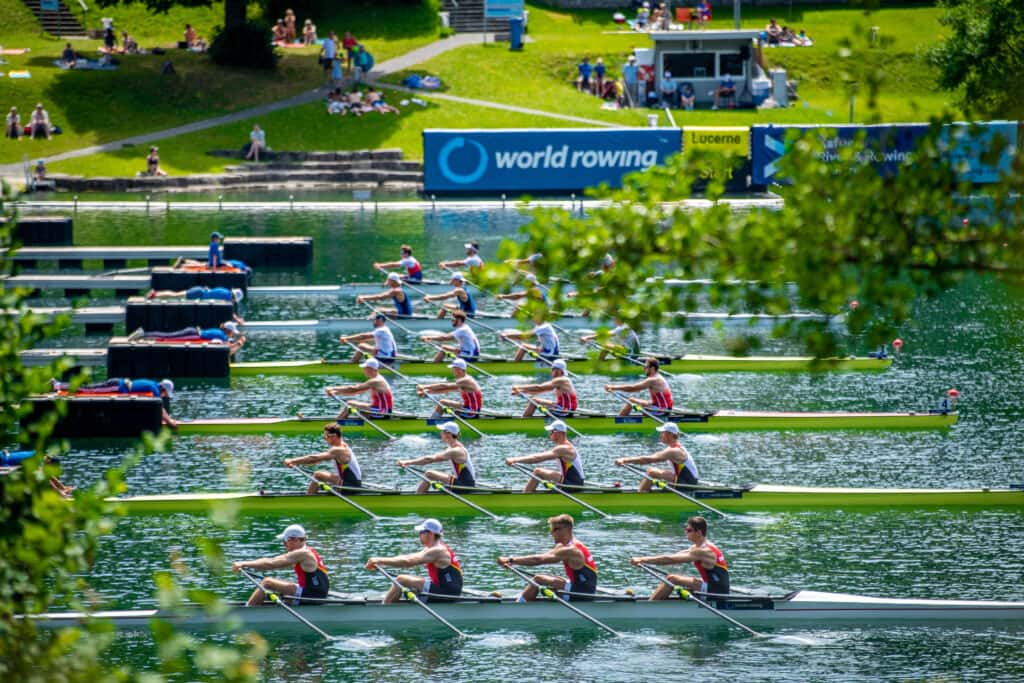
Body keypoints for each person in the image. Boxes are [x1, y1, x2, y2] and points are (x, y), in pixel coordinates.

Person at [497, 513, 597, 601]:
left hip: (582, 594)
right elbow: (544, 556)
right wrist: (511, 562)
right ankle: (522, 599)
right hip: (580, 587)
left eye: (555, 529)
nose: (551, 533)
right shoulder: (564, 546)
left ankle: (519, 605)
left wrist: (510, 560)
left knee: (538, 579)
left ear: (567, 529)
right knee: (549, 580)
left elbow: (538, 560)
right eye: (551, 529)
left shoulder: (571, 550)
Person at [630, 515, 729, 599]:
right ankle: (657, 601)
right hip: (713, 586)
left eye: (689, 530)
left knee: (672, 579)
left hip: (716, 592)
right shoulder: (697, 547)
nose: (686, 532)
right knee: (676, 579)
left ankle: (649, 607)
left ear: (699, 532)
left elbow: (670, 560)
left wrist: (642, 559)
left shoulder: (704, 551)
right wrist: (645, 561)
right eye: (686, 529)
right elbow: (675, 556)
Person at [366, 519, 463, 603]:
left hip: (447, 594)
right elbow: (409, 557)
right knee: (408, 581)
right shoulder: (432, 548)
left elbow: (408, 562)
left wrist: (379, 560)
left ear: (430, 534)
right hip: (443, 589)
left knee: (401, 580)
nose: (419, 535)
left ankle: (384, 609)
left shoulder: (438, 550)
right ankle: (392, 605)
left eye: (421, 532)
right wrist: (381, 562)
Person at [232, 524, 330, 606]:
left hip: (312, 596)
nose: (284, 545)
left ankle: (248, 611)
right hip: (314, 593)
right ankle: (261, 608)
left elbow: (271, 564)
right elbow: (272, 560)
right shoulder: (306, 551)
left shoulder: (303, 553)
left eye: (285, 541)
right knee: (282, 587)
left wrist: (244, 563)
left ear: (294, 540)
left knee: (267, 583)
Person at [50, 377, 177, 427]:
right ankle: (57, 385)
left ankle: (58, 385)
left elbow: (159, 407)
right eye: (165, 393)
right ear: (162, 388)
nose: (165, 396)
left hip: (118, 385)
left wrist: (169, 419)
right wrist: (170, 422)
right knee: (87, 390)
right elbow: (160, 408)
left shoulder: (154, 384)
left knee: (88, 389)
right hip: (116, 386)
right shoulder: (154, 388)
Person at [505, 420, 584, 491]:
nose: (549, 434)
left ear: (559, 433)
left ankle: (525, 497)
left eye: (551, 431)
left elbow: (538, 458)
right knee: (541, 472)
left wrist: (515, 460)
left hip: (574, 485)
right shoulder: (565, 446)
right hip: (572, 481)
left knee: (538, 472)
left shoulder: (564, 448)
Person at [614, 422, 697, 490]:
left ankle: (641, 495)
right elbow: (653, 457)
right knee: (656, 472)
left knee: (651, 472)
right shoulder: (673, 448)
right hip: (686, 481)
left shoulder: (674, 451)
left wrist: (625, 460)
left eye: (663, 433)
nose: (660, 435)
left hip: (687, 484)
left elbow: (648, 460)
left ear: (670, 434)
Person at [398, 421, 477, 491]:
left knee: (429, 474)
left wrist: (407, 462)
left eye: (442, 431)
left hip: (465, 486)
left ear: (448, 434)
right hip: (463, 482)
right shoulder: (453, 447)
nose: (440, 433)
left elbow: (429, 459)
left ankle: (418, 498)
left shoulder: (456, 451)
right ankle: (421, 496)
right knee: (433, 475)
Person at [285, 423, 362, 492]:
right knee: (319, 474)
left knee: (318, 475)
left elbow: (315, 458)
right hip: (350, 483)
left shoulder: (338, 450)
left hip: (351, 486)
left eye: (326, 436)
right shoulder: (342, 445)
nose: (325, 438)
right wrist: (298, 463)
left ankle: (308, 499)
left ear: (334, 436)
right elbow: (316, 461)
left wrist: (292, 460)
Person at [327, 357, 394, 419]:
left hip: (382, 412)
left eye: (365, 368)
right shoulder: (377, 379)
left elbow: (354, 388)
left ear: (371, 369)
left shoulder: (376, 381)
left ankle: (335, 424)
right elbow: (357, 392)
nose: (363, 370)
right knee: (353, 405)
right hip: (381, 410)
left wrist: (333, 388)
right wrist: (337, 392)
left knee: (350, 404)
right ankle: (340, 422)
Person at [604, 358, 674, 416]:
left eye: (646, 367)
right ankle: (626, 416)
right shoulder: (658, 377)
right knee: (637, 403)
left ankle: (619, 421)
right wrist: (635, 389)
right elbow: (636, 389)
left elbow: (632, 388)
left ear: (652, 368)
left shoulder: (653, 379)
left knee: (631, 401)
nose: (644, 369)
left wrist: (613, 387)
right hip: (663, 408)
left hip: (661, 411)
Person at [416, 358, 483, 418]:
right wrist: (427, 392)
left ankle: (432, 421)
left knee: (442, 402)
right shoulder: (464, 380)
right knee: (443, 402)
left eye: (453, 368)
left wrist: (424, 386)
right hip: (470, 409)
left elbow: (444, 386)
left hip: (472, 413)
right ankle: (435, 419)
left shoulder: (466, 380)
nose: (452, 370)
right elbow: (446, 390)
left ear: (458, 369)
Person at [511, 359, 578, 418]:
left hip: (565, 411)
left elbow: (539, 387)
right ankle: (526, 418)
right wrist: (521, 391)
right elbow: (539, 390)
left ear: (559, 370)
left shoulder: (561, 380)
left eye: (553, 369)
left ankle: (524, 422)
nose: (551, 371)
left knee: (534, 401)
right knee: (535, 400)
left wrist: (519, 387)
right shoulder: (562, 380)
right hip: (566, 409)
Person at [129, 321, 245, 355]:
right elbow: (228, 351)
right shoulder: (222, 336)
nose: (232, 335)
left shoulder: (220, 333)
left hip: (193, 331)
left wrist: (235, 343)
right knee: (167, 338)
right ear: (228, 331)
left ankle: (143, 334)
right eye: (232, 332)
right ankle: (143, 334)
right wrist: (240, 343)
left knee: (167, 335)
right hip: (193, 335)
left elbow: (227, 345)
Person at [147, 285, 244, 305]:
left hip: (200, 290)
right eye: (234, 300)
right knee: (175, 296)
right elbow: (229, 308)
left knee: (176, 295)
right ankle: (155, 295)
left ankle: (156, 294)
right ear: (233, 297)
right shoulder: (227, 297)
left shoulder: (225, 290)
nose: (233, 302)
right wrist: (237, 319)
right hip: (198, 293)